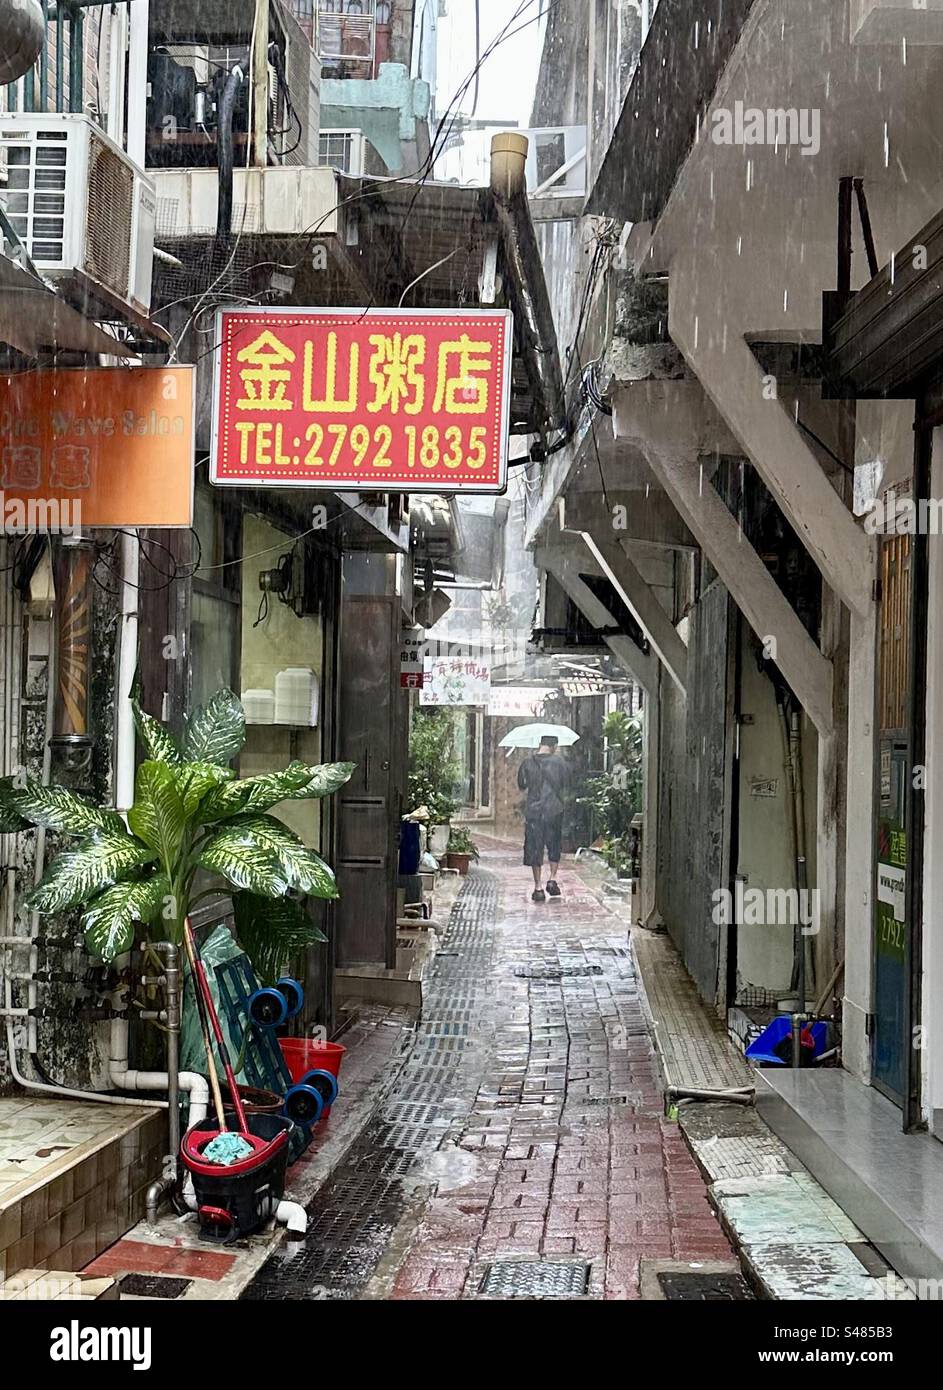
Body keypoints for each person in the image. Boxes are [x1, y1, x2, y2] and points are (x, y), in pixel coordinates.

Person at [517, 735, 569, 902]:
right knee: (554, 845)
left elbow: (522, 785)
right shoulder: (559, 762)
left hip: (534, 811)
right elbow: (566, 783)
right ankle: (552, 879)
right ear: (553, 746)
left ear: (540, 745)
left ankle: (538, 887)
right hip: (554, 810)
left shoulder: (527, 762)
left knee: (535, 848)